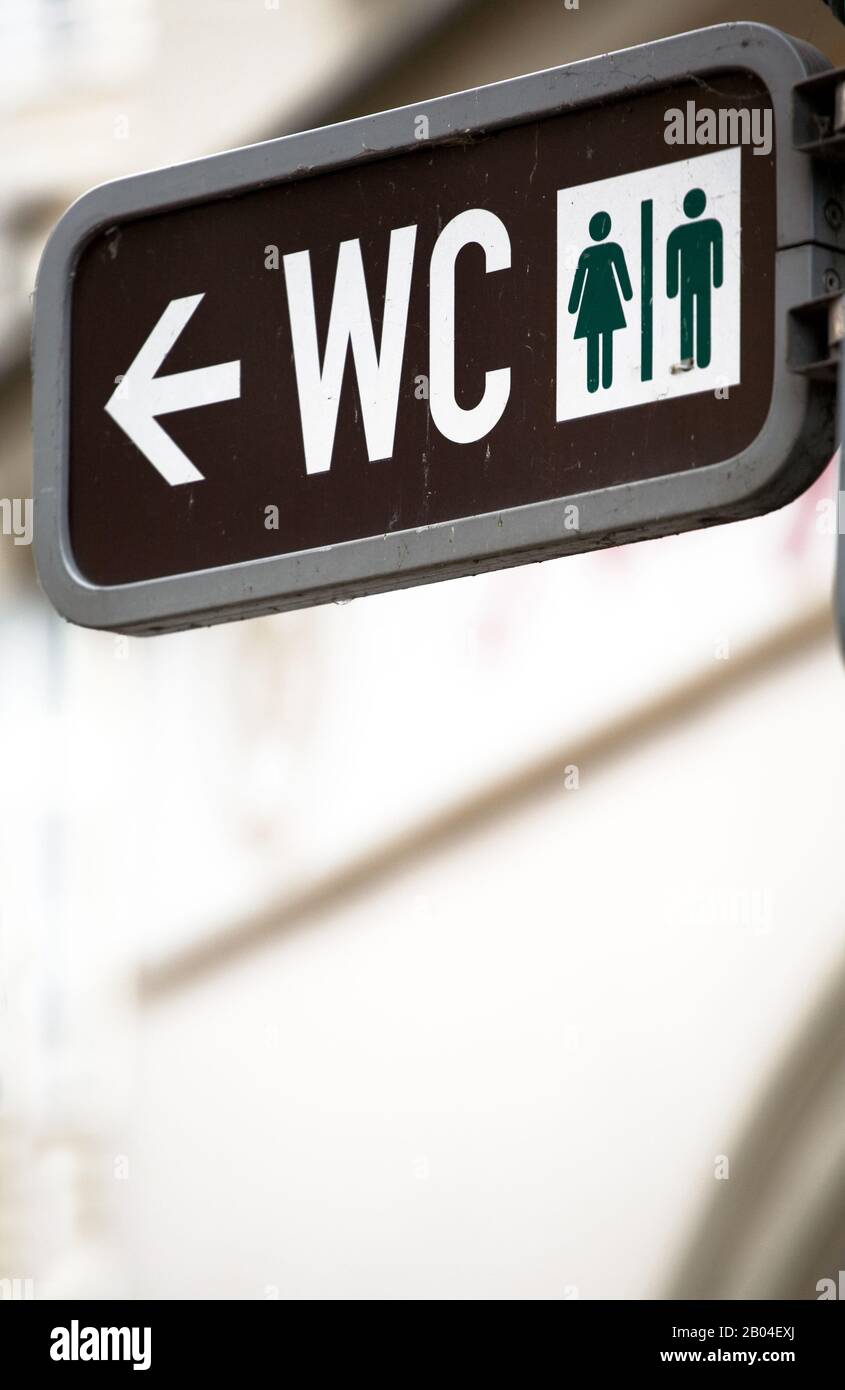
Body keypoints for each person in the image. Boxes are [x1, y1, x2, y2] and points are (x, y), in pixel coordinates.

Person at [568, 210, 633, 393]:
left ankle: (600, 381)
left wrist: (573, 305)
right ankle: (599, 381)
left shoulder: (592, 253)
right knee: (602, 337)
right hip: (606, 296)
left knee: (598, 338)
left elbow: (580, 280)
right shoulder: (609, 250)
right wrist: (627, 293)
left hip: (594, 299)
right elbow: (579, 278)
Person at [666, 188, 723, 369]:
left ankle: (704, 356)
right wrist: (672, 286)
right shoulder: (678, 233)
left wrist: (718, 278)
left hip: (700, 279)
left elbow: (718, 253)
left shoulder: (712, 226)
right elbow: (672, 259)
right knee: (687, 318)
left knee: (702, 315)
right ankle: (687, 358)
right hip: (687, 282)